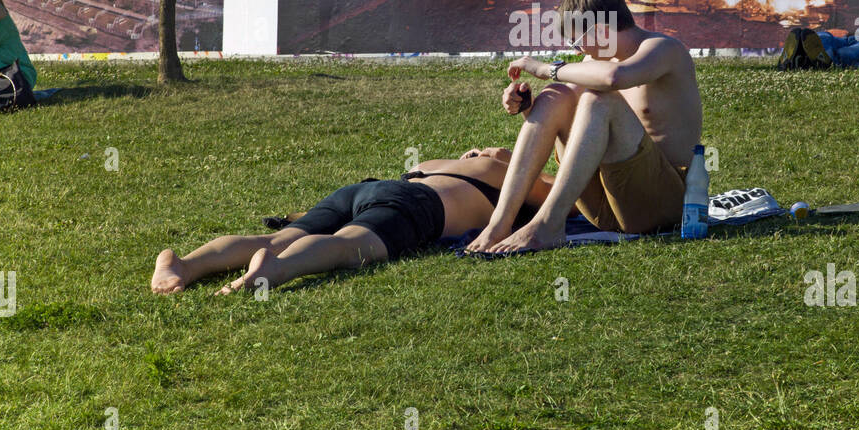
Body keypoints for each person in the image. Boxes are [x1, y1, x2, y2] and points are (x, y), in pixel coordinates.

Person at [465, 0, 703, 255]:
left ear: (601, 30)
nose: (576, 52)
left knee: (597, 99)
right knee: (555, 95)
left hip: (661, 205)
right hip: (606, 208)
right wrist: (526, 105)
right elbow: (564, 117)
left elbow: (615, 77)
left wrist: (544, 68)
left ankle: (547, 224)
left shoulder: (663, 49)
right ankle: (498, 225)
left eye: (577, 43)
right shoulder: (596, 60)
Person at [150, 148, 564, 294]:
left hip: (366, 188)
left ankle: (183, 263)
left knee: (276, 236)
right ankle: (276, 270)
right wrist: (509, 159)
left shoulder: (443, 162)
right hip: (417, 204)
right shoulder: (506, 174)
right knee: (350, 247)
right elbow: (562, 196)